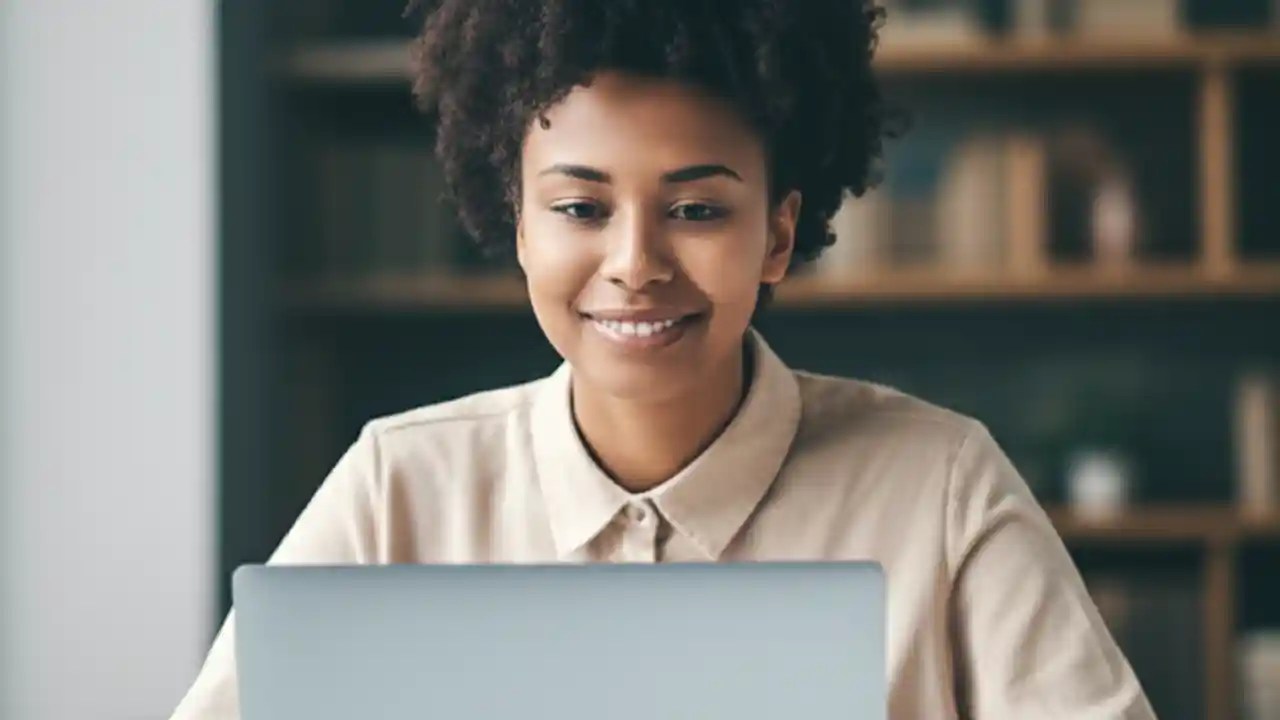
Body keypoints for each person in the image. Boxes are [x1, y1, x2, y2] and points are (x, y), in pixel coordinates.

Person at [172, 1, 1157, 718]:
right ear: (516, 226)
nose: (634, 265)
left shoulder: (939, 486)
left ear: (775, 237)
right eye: (578, 208)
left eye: (695, 210)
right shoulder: (400, 486)